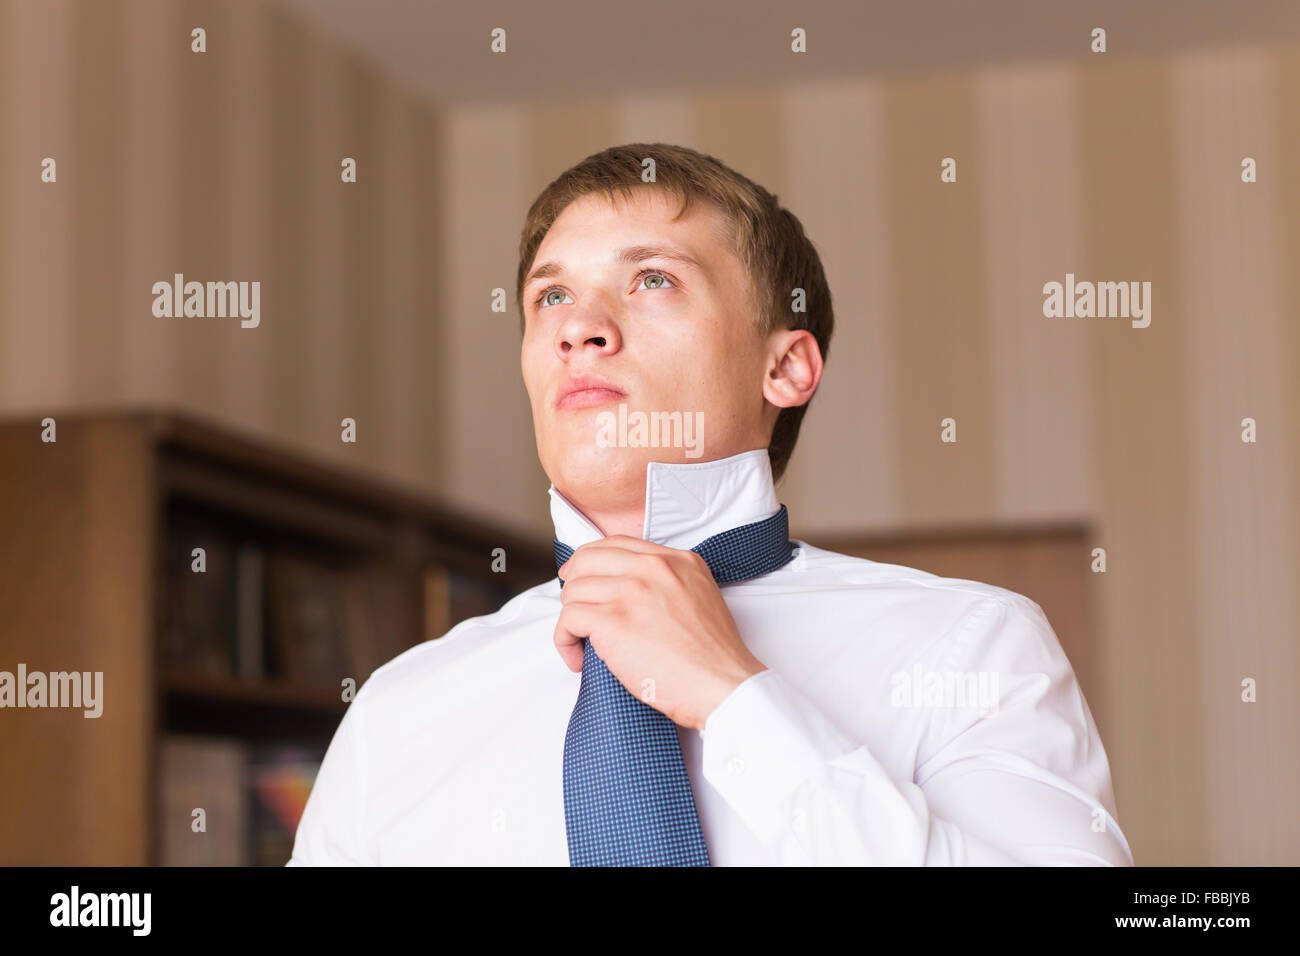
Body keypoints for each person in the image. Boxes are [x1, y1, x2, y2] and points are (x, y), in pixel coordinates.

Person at [288, 143, 1133, 866]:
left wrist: (738, 701)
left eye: (652, 279)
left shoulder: (974, 649)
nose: (580, 328)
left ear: (785, 368)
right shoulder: (399, 712)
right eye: (552, 297)